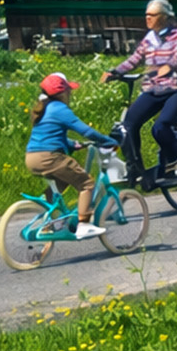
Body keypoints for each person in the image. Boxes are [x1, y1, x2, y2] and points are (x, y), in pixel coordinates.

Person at [106, 0, 177, 185]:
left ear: (164, 17)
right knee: (128, 124)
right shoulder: (149, 38)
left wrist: (169, 66)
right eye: (146, 14)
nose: (147, 18)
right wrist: (116, 72)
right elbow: (135, 58)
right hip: (154, 90)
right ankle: (135, 169)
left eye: (152, 15)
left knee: (161, 127)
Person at [24, 73, 115, 239]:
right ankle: (84, 224)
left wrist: (72, 145)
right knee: (87, 183)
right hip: (49, 157)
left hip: (32, 157)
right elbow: (86, 131)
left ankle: (50, 216)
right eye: (69, 91)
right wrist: (108, 140)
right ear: (62, 93)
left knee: (62, 181)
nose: (70, 95)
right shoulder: (60, 109)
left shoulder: (43, 108)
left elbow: (51, 136)